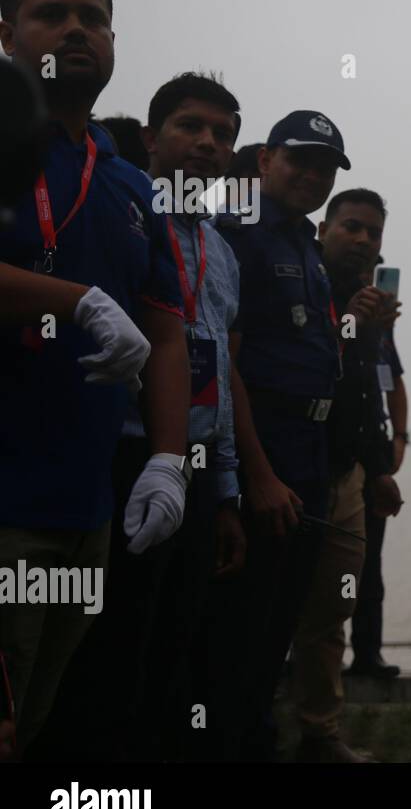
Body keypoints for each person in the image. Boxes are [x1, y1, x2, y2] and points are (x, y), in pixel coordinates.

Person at [27, 72, 253, 762]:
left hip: (190, 463)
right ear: (152, 137)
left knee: (168, 650)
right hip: (116, 456)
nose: (208, 145)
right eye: (191, 127)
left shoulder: (222, 252)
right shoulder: (117, 209)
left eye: (222, 135)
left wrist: (225, 491)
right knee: (98, 660)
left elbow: (219, 372)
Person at [0, 0, 190, 757]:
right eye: (53, 14)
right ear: (8, 34)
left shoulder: (128, 182)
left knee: (39, 719)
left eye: (94, 18)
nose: (77, 29)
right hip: (3, 509)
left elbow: (169, 326)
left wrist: (169, 460)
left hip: (87, 514)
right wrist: (75, 300)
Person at [215, 110, 351, 761]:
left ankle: (260, 741)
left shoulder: (304, 241)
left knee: (278, 631)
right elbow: (223, 362)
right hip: (262, 464)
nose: (312, 175)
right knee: (241, 633)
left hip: (308, 465)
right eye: (300, 160)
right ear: (264, 159)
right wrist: (257, 476)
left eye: (325, 167)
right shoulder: (239, 235)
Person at [292, 189, 401, 762]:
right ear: (323, 230)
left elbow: (366, 392)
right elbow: (306, 368)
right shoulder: (302, 282)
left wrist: (380, 468)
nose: (363, 240)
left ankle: (319, 731)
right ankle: (242, 725)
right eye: (352, 227)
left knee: (335, 607)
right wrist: (355, 324)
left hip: (348, 472)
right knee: (270, 606)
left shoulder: (368, 302)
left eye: (374, 233)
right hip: (291, 469)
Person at [348, 255, 407, 680]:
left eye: (375, 276)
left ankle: (368, 655)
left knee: (371, 564)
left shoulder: (382, 332)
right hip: (336, 448)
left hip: (377, 449)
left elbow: (395, 382)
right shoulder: (334, 316)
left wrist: (401, 437)